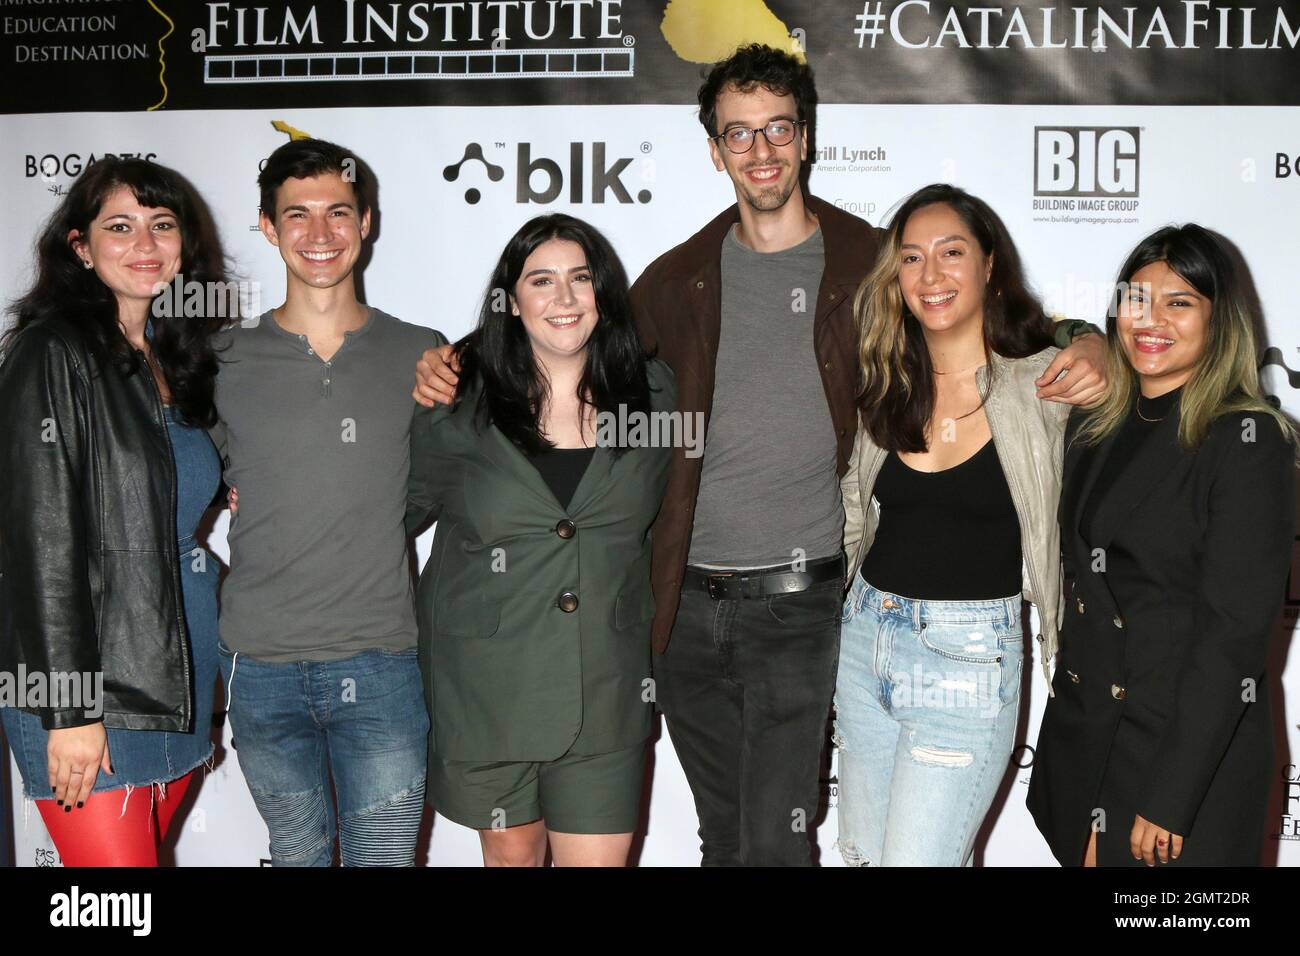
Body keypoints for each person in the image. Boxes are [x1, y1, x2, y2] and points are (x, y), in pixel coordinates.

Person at [413, 44, 1107, 866]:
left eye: (778, 129)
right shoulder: (676, 281)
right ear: (714, 150)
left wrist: (1085, 336)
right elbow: (568, 339)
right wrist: (454, 355)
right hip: (684, 609)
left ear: (806, 137)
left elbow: (985, 318)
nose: (761, 152)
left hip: (804, 606)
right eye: (738, 135)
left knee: (777, 844)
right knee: (724, 838)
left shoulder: (874, 263)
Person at [405, 214, 672, 866]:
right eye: (541, 280)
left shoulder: (657, 396)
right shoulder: (453, 399)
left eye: (581, 279)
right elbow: (391, 513)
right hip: (486, 692)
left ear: (604, 294)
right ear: (512, 300)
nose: (563, 298)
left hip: (606, 690)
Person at [1028, 225, 1297, 867]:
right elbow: (1012, 319)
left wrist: (1172, 797)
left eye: (1179, 302)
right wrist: (1077, 335)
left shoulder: (1246, 441)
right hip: (1090, 747)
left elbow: (1232, 635)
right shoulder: (1098, 423)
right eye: (1136, 297)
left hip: (1183, 760)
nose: (1151, 319)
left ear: (1219, 320)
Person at [213, 138, 445, 866]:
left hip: (380, 661)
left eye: (338, 212)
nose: (320, 235)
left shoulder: (423, 354)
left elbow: (444, 478)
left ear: (366, 222)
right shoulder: (221, 358)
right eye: (298, 215)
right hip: (260, 665)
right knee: (298, 856)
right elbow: (187, 474)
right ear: (267, 227)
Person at [837, 184, 1077, 867]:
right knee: (860, 859)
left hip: (969, 659)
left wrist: (1089, 343)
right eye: (911, 258)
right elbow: (854, 515)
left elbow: (1136, 371)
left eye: (951, 253)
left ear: (990, 264)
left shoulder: (1045, 387)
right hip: (864, 641)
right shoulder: (884, 379)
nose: (930, 275)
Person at [0, 157, 226, 866]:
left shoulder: (174, 353)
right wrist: (69, 710)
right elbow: (38, 544)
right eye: (120, 227)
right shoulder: (52, 351)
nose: (145, 245)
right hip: (90, 685)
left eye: (162, 226)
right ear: (80, 246)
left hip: (181, 664)